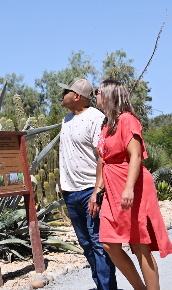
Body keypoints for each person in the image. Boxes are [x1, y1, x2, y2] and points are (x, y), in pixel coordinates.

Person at [90, 79, 172, 290]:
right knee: (109, 244)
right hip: (111, 188)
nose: (95, 95)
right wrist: (97, 191)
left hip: (131, 185)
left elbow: (135, 155)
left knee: (139, 244)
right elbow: (103, 160)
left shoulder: (127, 119)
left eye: (98, 91)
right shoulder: (107, 124)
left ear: (109, 95)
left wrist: (128, 189)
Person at [57, 78, 118, 290]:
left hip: (90, 191)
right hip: (70, 193)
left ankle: (108, 287)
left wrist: (97, 191)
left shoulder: (96, 118)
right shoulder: (66, 120)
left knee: (99, 244)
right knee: (86, 244)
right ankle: (101, 285)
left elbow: (102, 156)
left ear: (77, 96)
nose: (61, 95)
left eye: (65, 91)